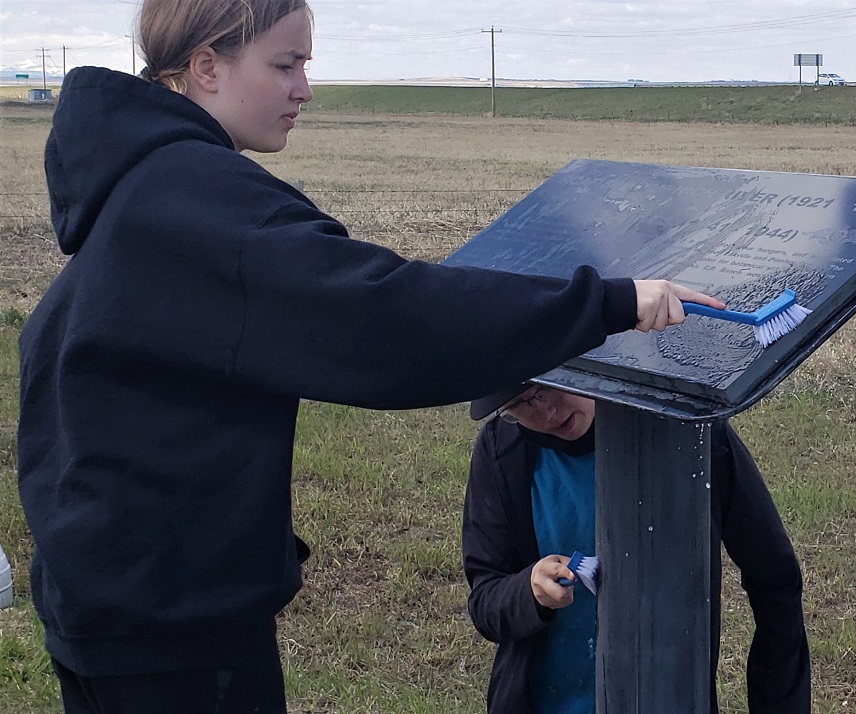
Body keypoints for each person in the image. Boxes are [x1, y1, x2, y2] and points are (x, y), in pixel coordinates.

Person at [16, 1, 726, 712]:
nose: (304, 89)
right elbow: (389, 320)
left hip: (107, 595)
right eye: (285, 64)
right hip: (170, 626)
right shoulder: (197, 198)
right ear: (207, 66)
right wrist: (608, 303)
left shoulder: (139, 187)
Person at [462, 383, 811, 714]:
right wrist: (528, 591)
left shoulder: (685, 428)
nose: (546, 411)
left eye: (546, 390)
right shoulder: (501, 452)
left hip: (666, 698)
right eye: (520, 405)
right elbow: (486, 601)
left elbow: (775, 578)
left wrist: (779, 702)